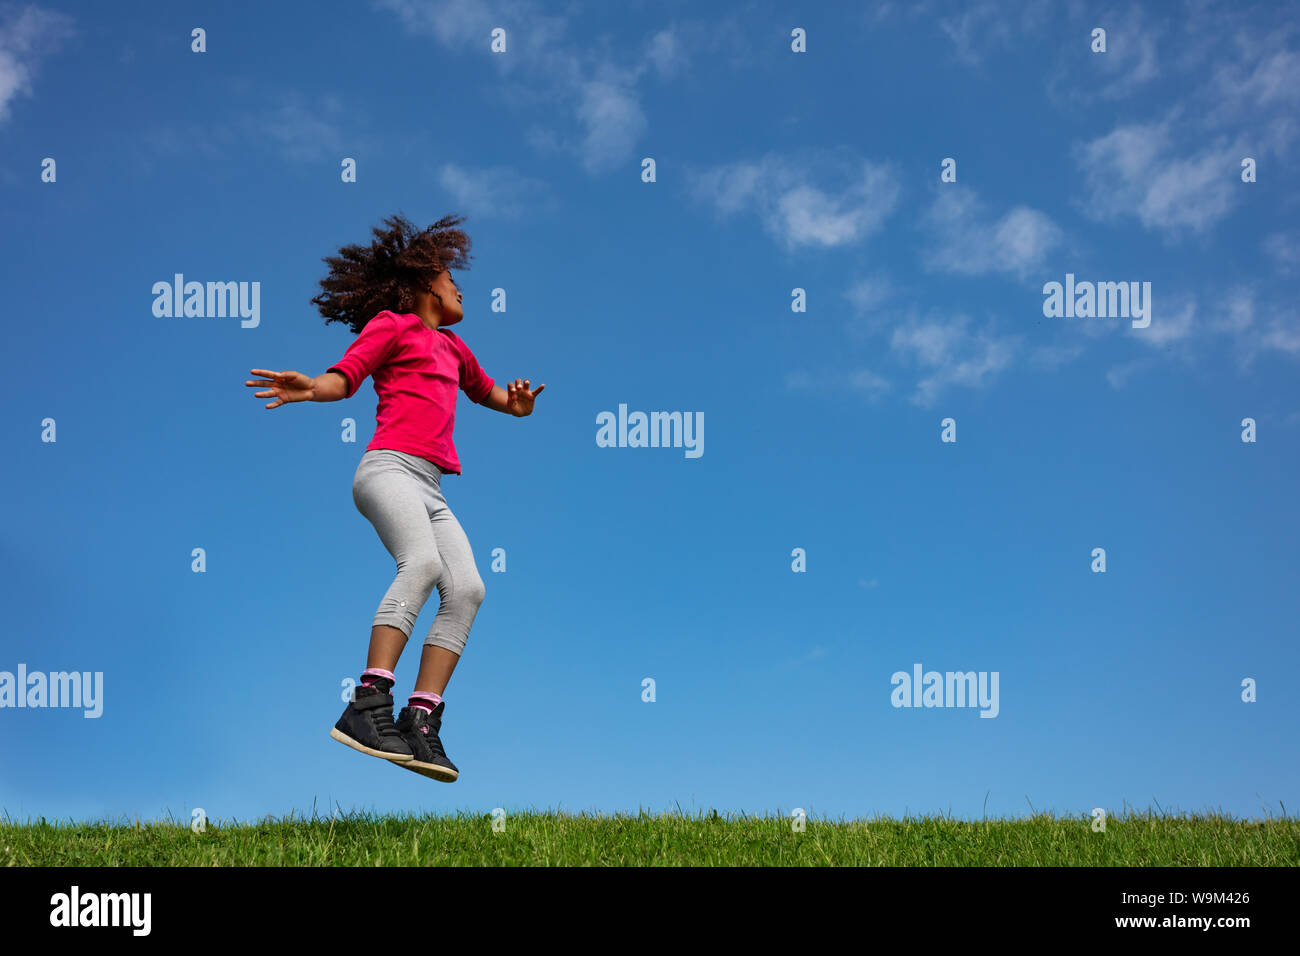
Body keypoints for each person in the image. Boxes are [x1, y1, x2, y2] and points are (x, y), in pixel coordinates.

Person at [245, 212, 545, 782]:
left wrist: (518, 406)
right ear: (425, 283)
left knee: (468, 589)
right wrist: (310, 387)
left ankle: (420, 719)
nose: (459, 287)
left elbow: (490, 395)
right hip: (387, 471)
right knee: (424, 564)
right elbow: (346, 377)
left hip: (429, 485)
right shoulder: (393, 325)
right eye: (452, 278)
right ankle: (367, 703)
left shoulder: (455, 349)